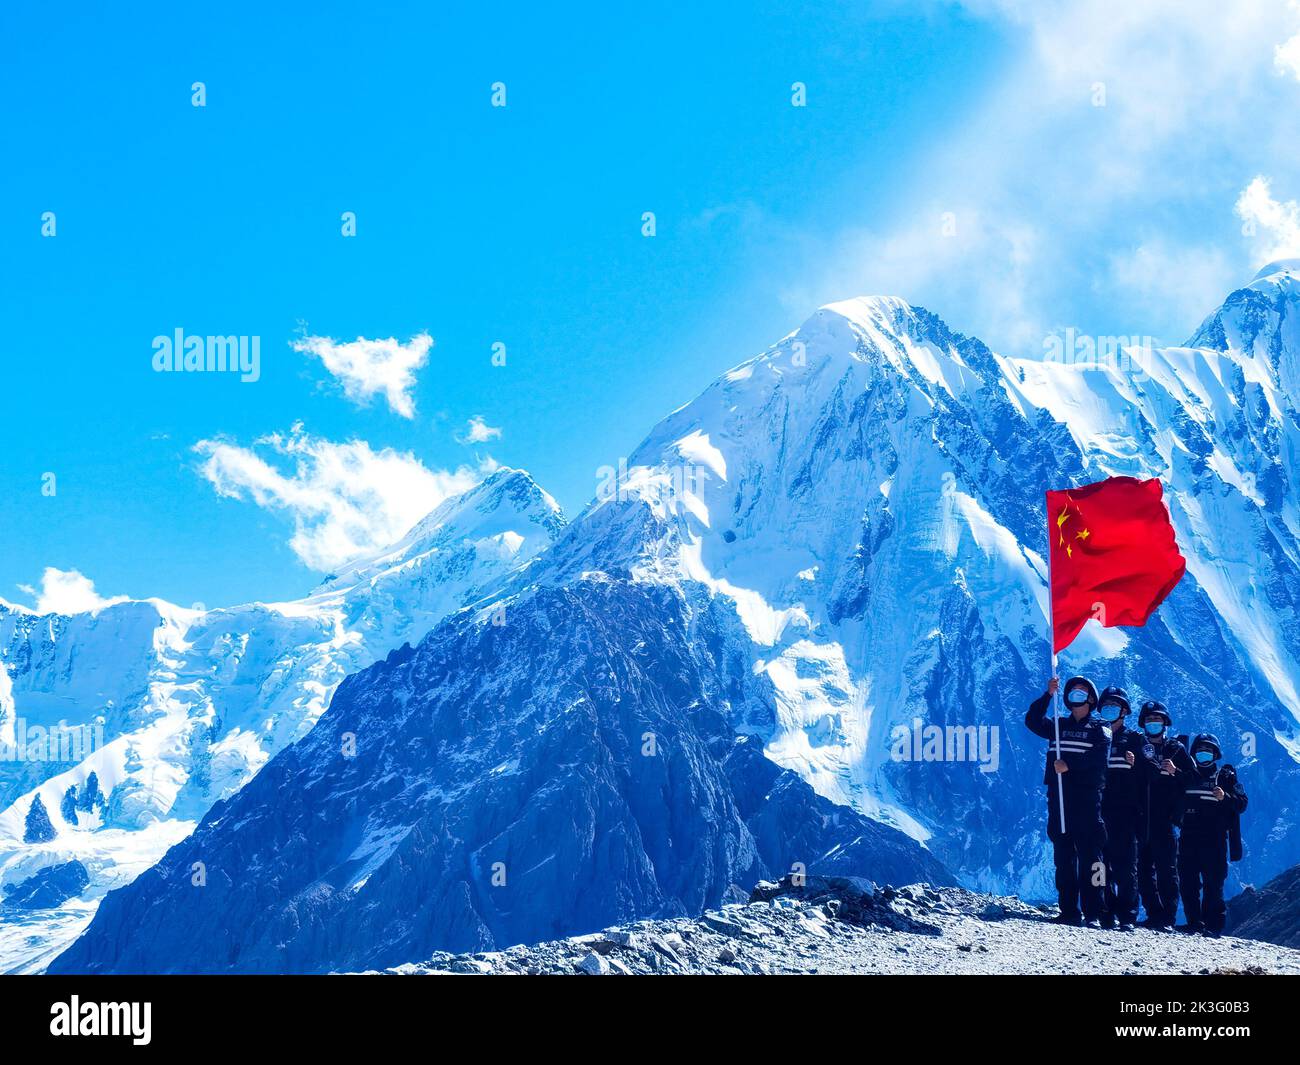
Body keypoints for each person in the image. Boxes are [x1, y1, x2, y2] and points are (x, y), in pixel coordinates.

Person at [1025, 676, 1110, 926]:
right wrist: (1047, 695)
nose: (1076, 694)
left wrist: (1069, 766)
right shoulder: (1058, 726)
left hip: (1087, 799)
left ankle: (1096, 912)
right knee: (1063, 858)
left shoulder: (1100, 728)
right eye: (1073, 690)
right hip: (1059, 798)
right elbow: (1032, 721)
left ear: (1091, 698)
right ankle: (1068, 911)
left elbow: (1099, 760)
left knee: (1093, 858)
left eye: (1082, 691)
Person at [1177, 734, 1247, 937]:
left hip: (1214, 839)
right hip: (1188, 836)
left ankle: (1213, 926)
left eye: (1208, 750)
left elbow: (1242, 803)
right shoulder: (1187, 775)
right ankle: (1193, 923)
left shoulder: (1225, 777)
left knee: (1213, 883)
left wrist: (1226, 797)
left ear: (1216, 754)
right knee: (1187, 881)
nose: (1203, 753)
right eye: (1199, 749)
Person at [1135, 700, 1193, 930]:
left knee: (1167, 871)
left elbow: (1193, 779)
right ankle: (1153, 914)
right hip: (1140, 817)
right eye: (1149, 720)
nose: (1153, 724)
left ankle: (1168, 918)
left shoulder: (1176, 749)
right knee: (1142, 870)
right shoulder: (1137, 746)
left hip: (1165, 820)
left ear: (1165, 723)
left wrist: (1175, 771)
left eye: (1157, 720)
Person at [1096, 686, 1143, 931]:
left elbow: (1152, 774)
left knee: (1126, 868)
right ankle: (1103, 912)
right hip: (1097, 812)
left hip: (1125, 814)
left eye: (1115, 706)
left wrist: (1137, 765)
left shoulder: (1135, 740)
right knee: (1099, 867)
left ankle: (1127, 916)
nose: (1110, 710)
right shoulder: (1095, 734)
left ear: (1125, 711)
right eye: (1106, 706)